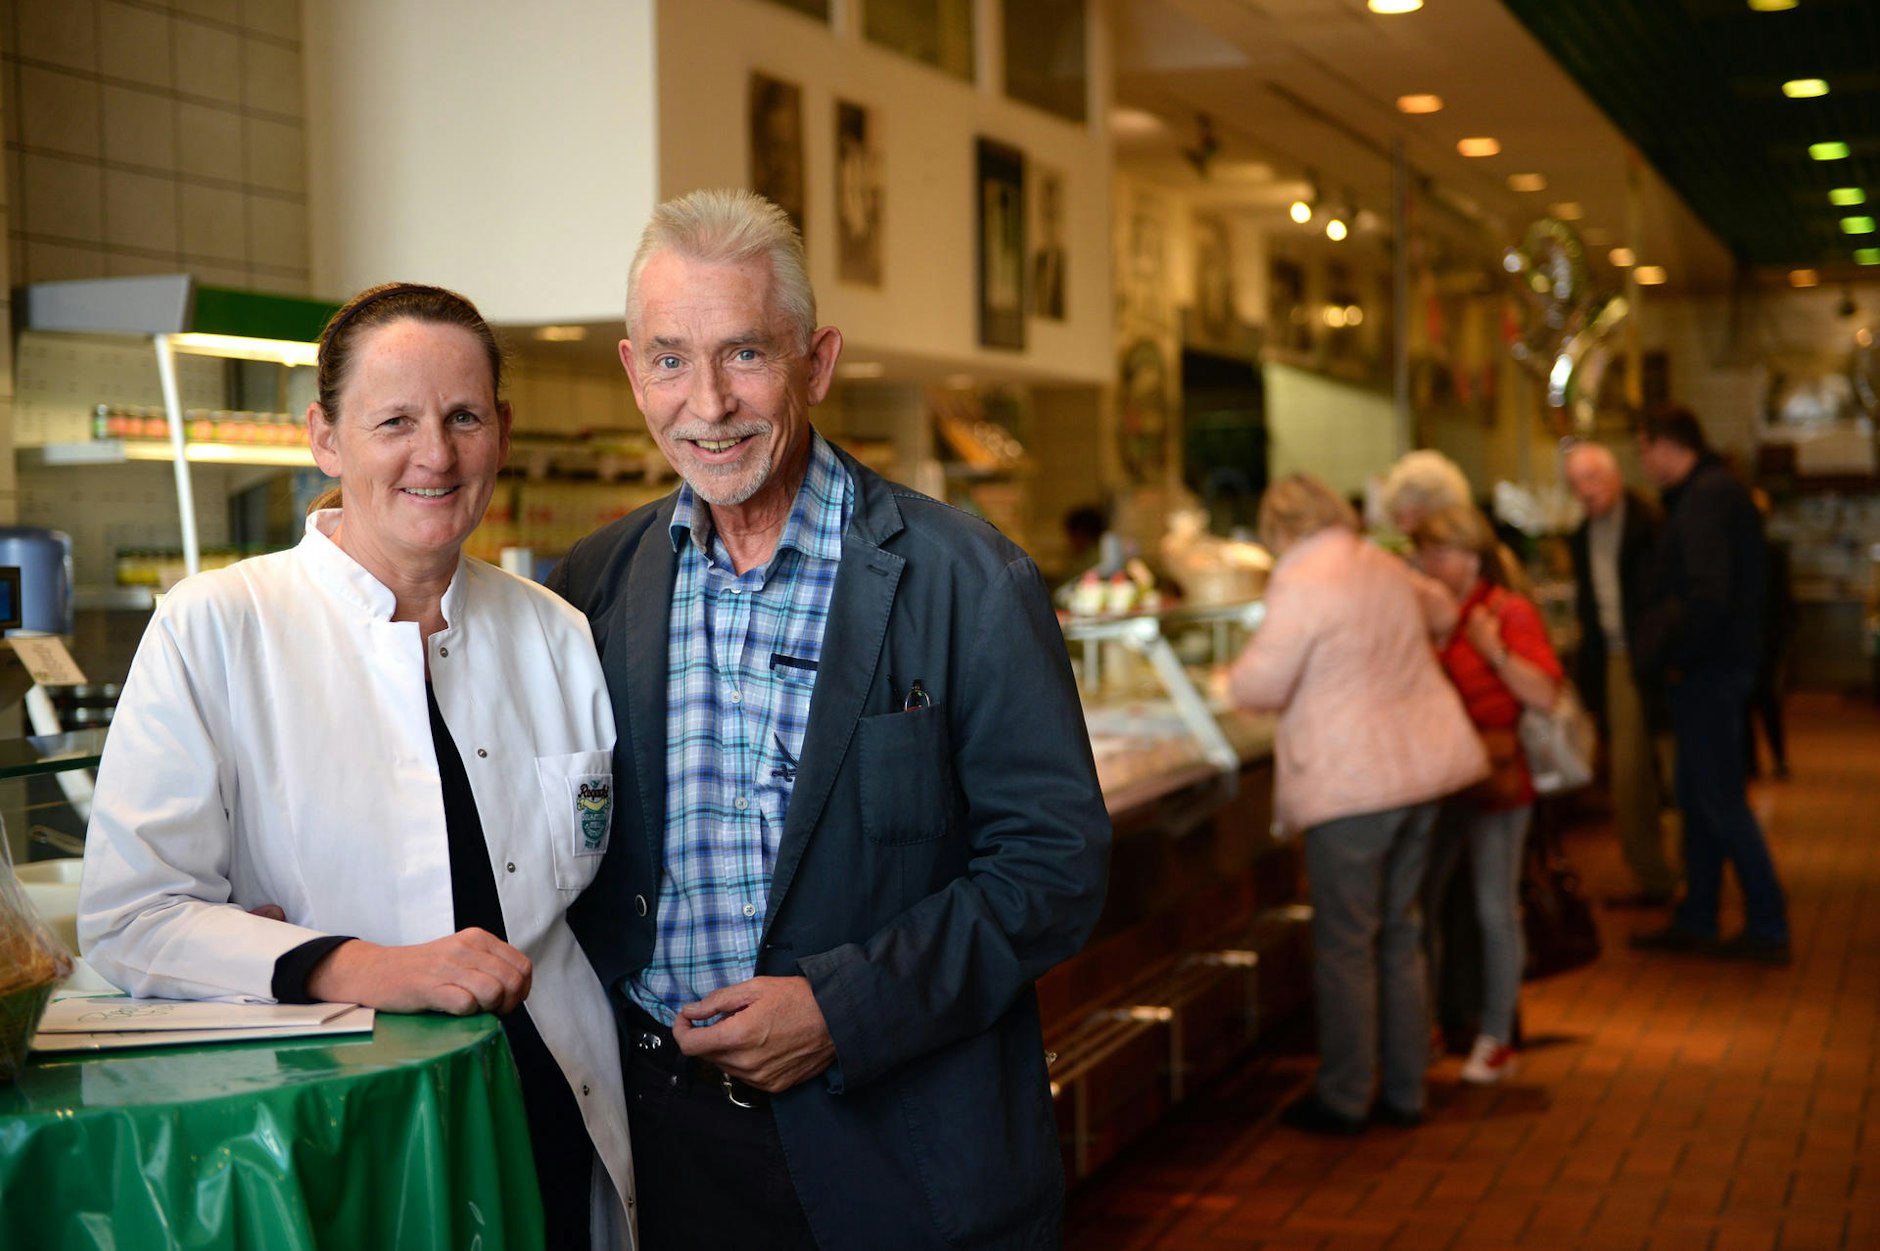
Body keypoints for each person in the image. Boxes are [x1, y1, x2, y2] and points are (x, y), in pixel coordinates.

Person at [547, 189, 1111, 1250]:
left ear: (816, 362)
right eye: (670, 359)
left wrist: (842, 1010)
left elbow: (1054, 867)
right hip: (662, 1148)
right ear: (632, 371)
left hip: (903, 1156)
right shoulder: (590, 586)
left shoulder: (966, 578)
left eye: (744, 353)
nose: (708, 403)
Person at [78, 283, 635, 1249]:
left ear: (502, 433)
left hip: (549, 1117)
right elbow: (131, 919)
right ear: (325, 439)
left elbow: (597, 901)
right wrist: (364, 965)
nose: (436, 454)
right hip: (335, 1126)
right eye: (395, 422)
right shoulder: (215, 627)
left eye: (464, 418)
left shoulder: (556, 631)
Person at [1228, 473, 1487, 1135]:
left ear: (1280, 525)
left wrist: (1221, 680)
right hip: (1421, 770)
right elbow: (1444, 612)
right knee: (1401, 932)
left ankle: (1344, 1097)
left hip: (1353, 782)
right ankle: (1405, 1091)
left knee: (1346, 944)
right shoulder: (1381, 562)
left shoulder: (1302, 577)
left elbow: (1260, 684)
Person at [1630, 407, 1791, 964]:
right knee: (1699, 799)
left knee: (1719, 799)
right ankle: (1698, 915)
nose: (1643, 462)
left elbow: (1706, 596)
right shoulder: (1714, 492)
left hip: (1709, 671)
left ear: (1664, 445)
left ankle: (1767, 923)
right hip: (1717, 667)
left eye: (1643, 449)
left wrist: (1677, 658)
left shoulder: (1704, 499)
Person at [1411, 504, 1565, 1085]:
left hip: (1497, 779)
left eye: (1438, 553)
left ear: (1470, 558)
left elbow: (1544, 695)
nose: (1426, 564)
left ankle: (1498, 1038)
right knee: (1424, 906)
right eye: (1423, 553)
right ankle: (1425, 1027)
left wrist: (1493, 649)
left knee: (1493, 908)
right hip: (1443, 778)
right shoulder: (1434, 615)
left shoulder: (1506, 611)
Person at [1563, 441, 1677, 906]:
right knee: (1628, 776)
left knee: (1678, 769)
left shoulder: (1652, 524)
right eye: (1575, 484)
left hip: (1662, 657)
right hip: (1615, 658)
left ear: (1613, 477)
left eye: (1591, 479)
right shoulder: (1581, 536)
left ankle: (1698, 875)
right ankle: (1652, 877)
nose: (1585, 491)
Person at [1745, 487, 1794, 779]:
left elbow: (1783, 602)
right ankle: (1753, 761)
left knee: (1765, 700)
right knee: (1752, 701)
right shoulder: (1743, 552)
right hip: (1751, 638)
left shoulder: (1772, 553)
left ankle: (1775, 758)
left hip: (1767, 639)